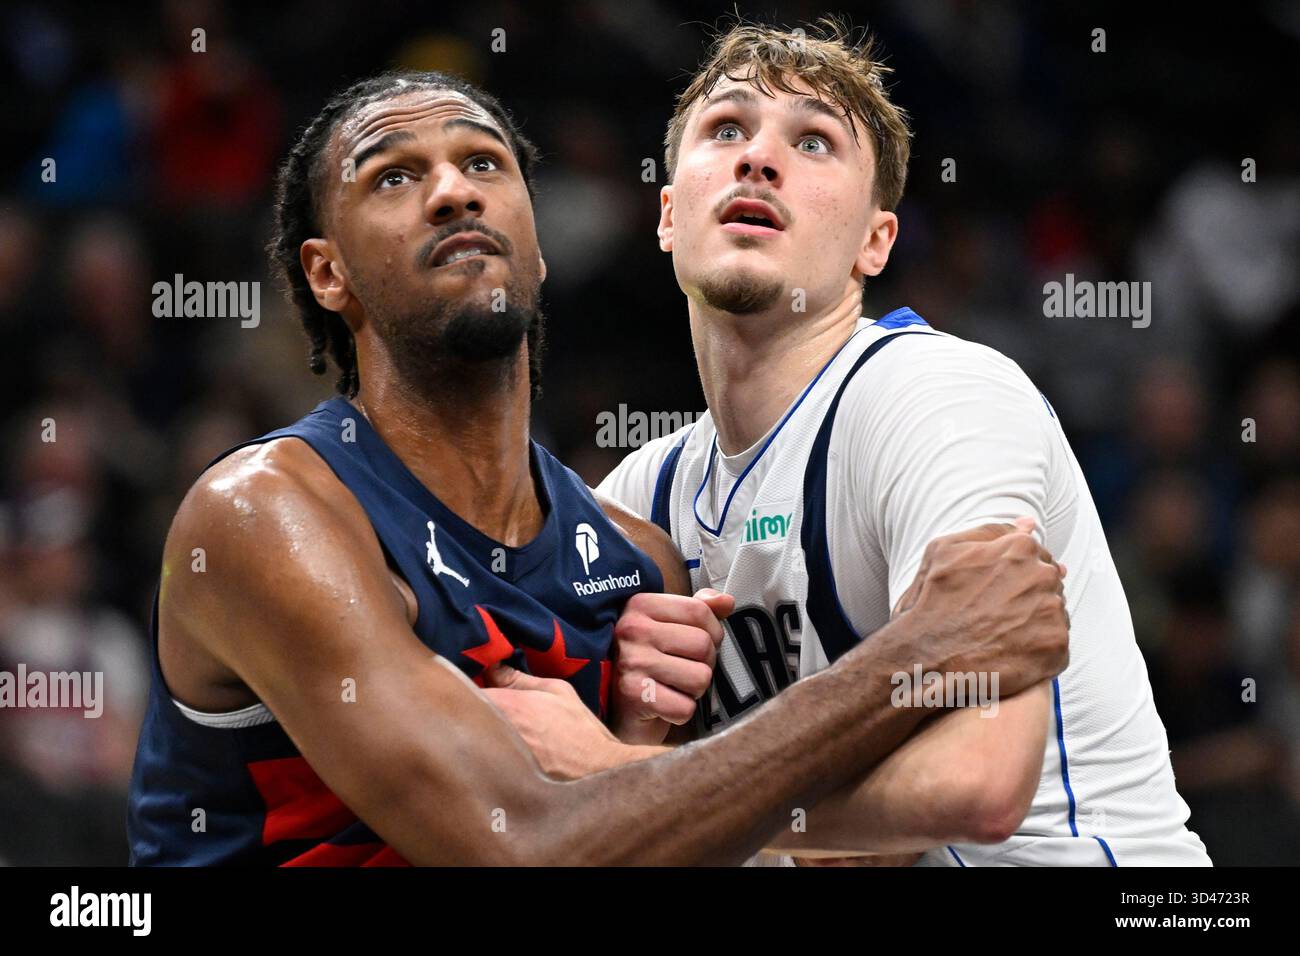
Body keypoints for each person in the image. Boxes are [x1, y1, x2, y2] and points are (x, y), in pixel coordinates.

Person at [126, 70, 1070, 865]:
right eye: (393, 177)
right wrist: (919, 653)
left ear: (536, 243)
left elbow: (715, 837)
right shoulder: (265, 514)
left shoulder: (635, 558)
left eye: (483, 163)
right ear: (327, 274)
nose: (453, 191)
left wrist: (637, 741)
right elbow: (522, 846)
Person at [507, 20, 1210, 866]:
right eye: (726, 130)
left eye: (814, 142)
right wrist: (637, 734)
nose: (759, 159)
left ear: (875, 243)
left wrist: (623, 775)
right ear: (666, 214)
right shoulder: (636, 497)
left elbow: (977, 785)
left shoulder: (938, 398)